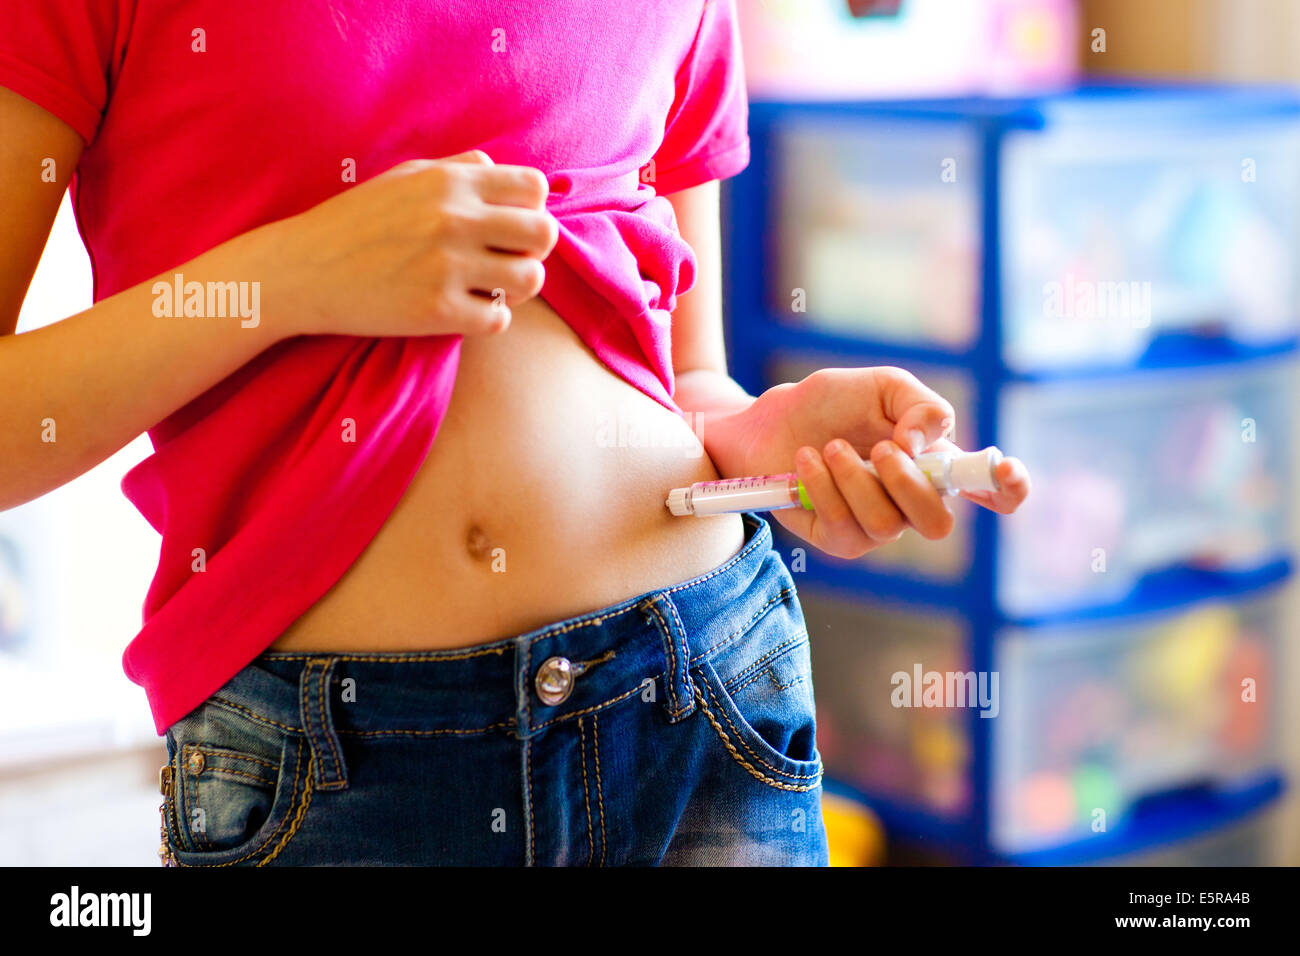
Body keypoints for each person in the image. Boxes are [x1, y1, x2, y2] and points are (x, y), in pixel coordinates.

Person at [0, 0, 1029, 866]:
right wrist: (291, 276)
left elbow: (685, 378)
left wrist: (771, 442)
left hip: (706, 689)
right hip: (339, 763)